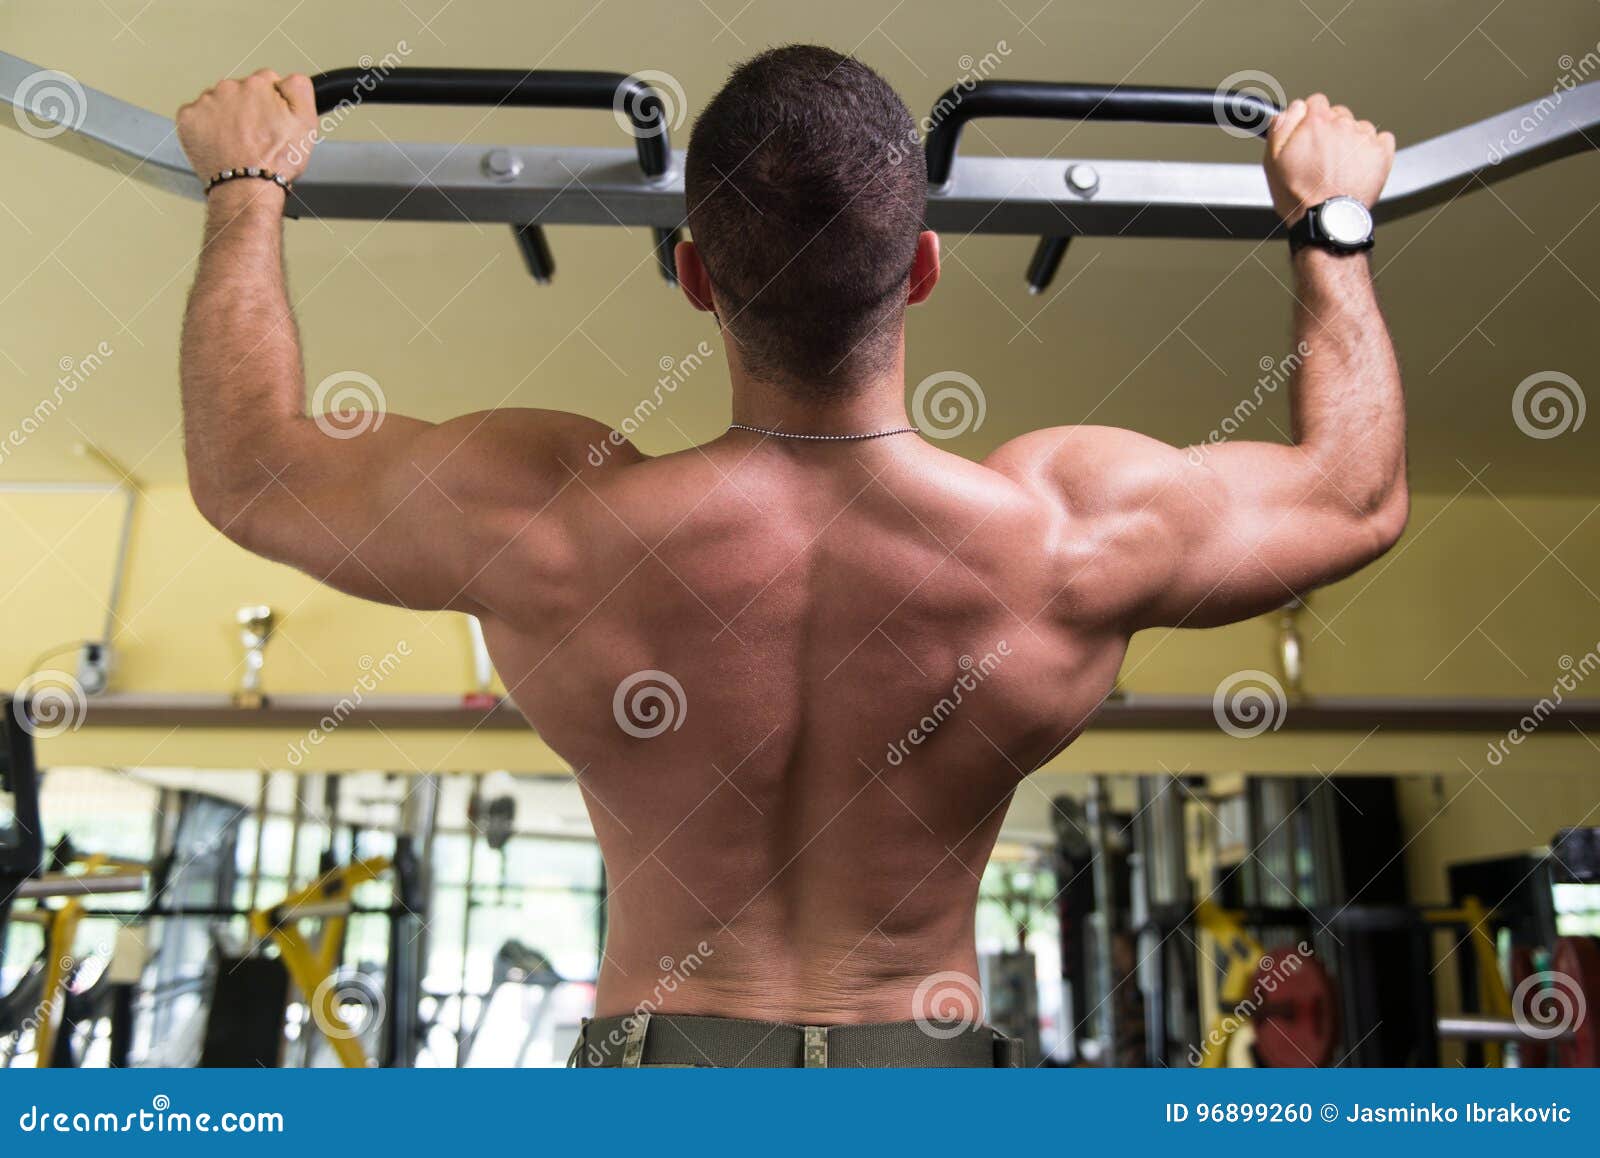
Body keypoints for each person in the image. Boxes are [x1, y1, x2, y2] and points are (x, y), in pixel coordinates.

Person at [175, 44, 1405, 1067]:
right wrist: (1328, 222)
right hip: (920, 1067)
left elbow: (248, 469)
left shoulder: (554, 526)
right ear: (921, 269)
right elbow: (1353, 500)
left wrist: (247, 185)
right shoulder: (1064, 535)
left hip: (664, 1068)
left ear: (697, 278)